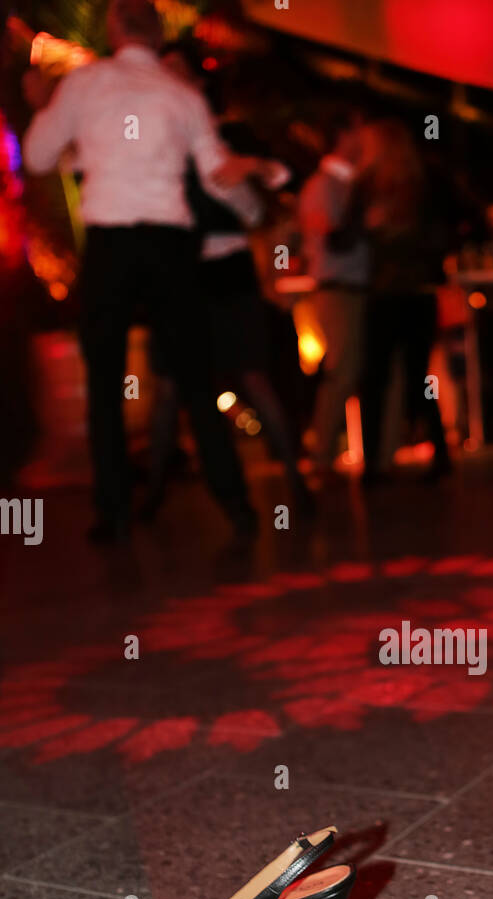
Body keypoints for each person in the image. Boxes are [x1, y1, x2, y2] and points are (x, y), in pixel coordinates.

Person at [22, 0, 259, 544]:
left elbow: (36, 157)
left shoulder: (85, 85)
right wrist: (259, 195)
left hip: (112, 244)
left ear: (113, 28)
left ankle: (114, 512)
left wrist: (42, 106)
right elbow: (217, 172)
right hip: (171, 244)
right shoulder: (183, 95)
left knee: (104, 381)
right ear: (155, 36)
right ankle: (237, 505)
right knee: (196, 377)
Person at [144, 39, 314, 518]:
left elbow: (286, 182)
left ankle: (295, 480)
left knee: (254, 379)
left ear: (199, 83)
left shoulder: (229, 133)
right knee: (170, 388)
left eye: (176, 69)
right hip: (178, 272)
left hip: (229, 269)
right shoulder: (151, 141)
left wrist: (255, 168)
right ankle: (150, 494)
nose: (165, 78)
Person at [358, 117, 452, 486]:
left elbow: (447, 231)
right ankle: (382, 462)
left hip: (399, 292)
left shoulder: (422, 184)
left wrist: (386, 232)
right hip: (401, 292)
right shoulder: (378, 185)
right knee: (406, 378)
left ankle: (381, 465)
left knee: (394, 379)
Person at [298, 109, 369, 478]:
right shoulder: (323, 186)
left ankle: (348, 453)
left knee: (350, 370)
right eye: (359, 129)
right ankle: (322, 455)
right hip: (337, 289)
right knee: (341, 371)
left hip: (353, 287)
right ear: (344, 134)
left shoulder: (346, 183)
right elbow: (334, 241)